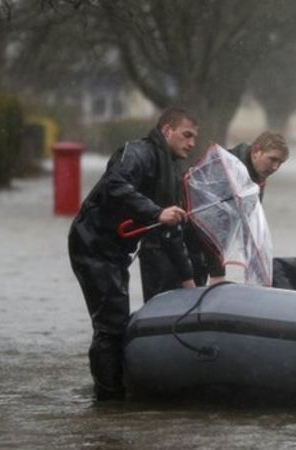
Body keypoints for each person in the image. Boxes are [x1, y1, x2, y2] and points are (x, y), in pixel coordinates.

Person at [68, 107, 199, 400]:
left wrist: (189, 281)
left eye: (194, 138)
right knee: (111, 325)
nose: (191, 143)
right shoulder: (138, 153)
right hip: (92, 243)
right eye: (186, 135)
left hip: (115, 249)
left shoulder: (171, 172)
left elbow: (171, 231)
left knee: (116, 321)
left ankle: (115, 390)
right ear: (167, 130)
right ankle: (109, 399)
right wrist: (156, 211)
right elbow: (115, 184)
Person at [139, 131, 290, 301]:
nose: (275, 167)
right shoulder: (224, 170)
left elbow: (246, 226)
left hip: (199, 254)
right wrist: (217, 272)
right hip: (168, 248)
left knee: (190, 310)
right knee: (165, 309)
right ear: (256, 151)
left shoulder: (254, 179)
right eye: (272, 159)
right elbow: (209, 222)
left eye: (281, 163)